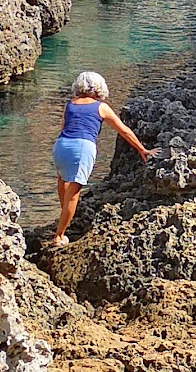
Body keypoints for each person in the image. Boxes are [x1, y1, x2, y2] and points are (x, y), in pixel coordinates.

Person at [51, 71, 150, 245]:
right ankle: (59, 236)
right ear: (98, 88)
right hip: (82, 148)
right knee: (74, 193)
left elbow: (63, 128)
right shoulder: (100, 107)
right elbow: (123, 130)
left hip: (61, 145)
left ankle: (64, 219)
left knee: (63, 181)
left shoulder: (69, 104)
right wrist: (142, 149)